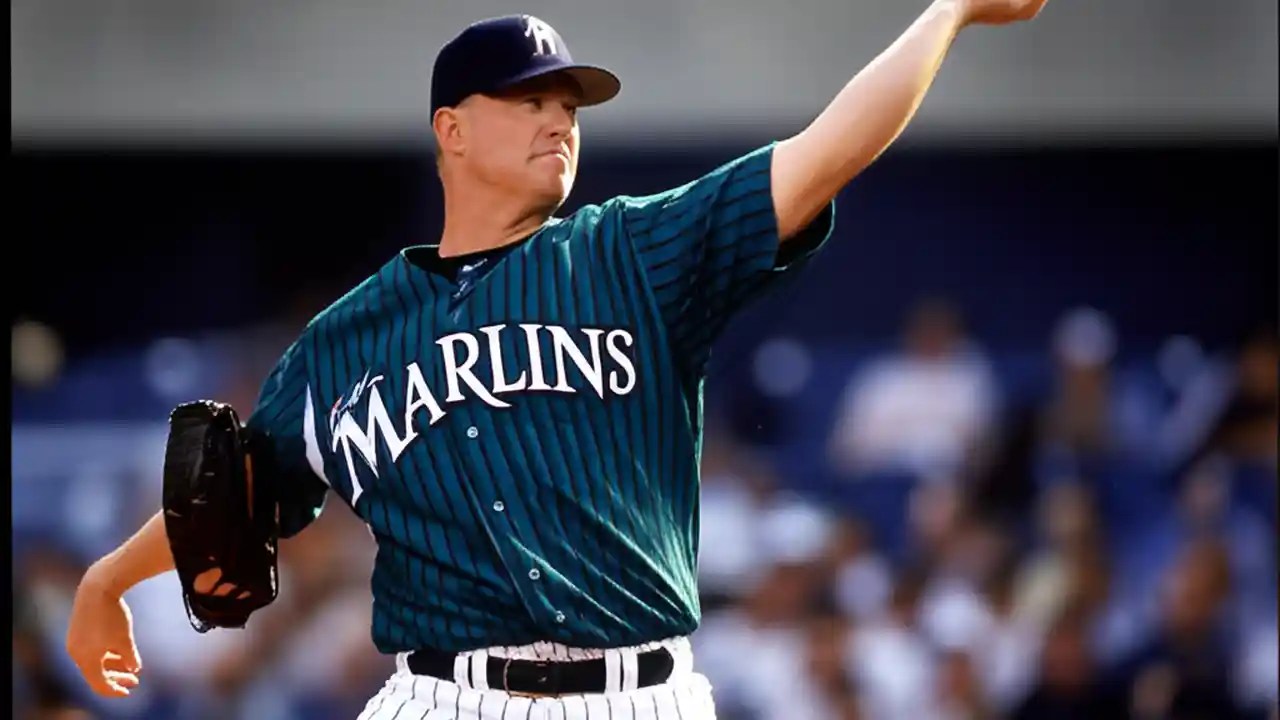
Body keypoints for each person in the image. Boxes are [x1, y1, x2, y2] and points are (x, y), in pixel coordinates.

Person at [64, 2, 1052, 717]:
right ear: (451, 130)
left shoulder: (633, 252)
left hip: (637, 693)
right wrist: (108, 580)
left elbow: (828, 150)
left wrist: (948, 13)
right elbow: (230, 499)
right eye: (528, 99)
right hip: (441, 696)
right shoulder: (345, 340)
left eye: (569, 106)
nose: (559, 119)